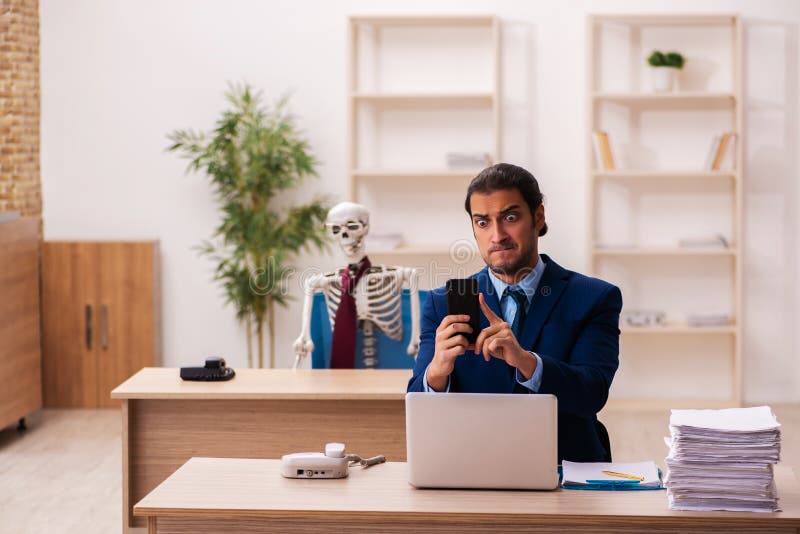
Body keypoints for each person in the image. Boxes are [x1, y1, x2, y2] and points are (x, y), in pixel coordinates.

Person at [407, 163, 622, 462]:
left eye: (510, 218)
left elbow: (592, 394)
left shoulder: (594, 298)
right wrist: (437, 371)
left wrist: (527, 362)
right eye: (483, 222)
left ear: (538, 217)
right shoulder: (442, 303)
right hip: (470, 465)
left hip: (564, 468)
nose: (497, 235)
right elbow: (418, 403)